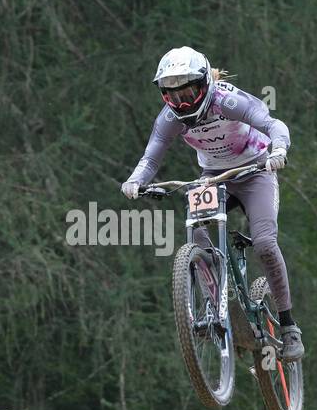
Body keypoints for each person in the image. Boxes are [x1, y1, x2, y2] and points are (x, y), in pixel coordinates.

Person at [121, 46, 304, 361]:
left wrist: (278, 150)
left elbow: (274, 125)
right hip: (214, 178)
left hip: (255, 171)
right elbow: (152, 155)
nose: (182, 102)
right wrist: (135, 180)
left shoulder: (226, 100)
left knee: (263, 242)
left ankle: (289, 327)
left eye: (189, 92)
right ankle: (215, 302)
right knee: (196, 230)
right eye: (173, 96)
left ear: (205, 83)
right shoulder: (170, 118)